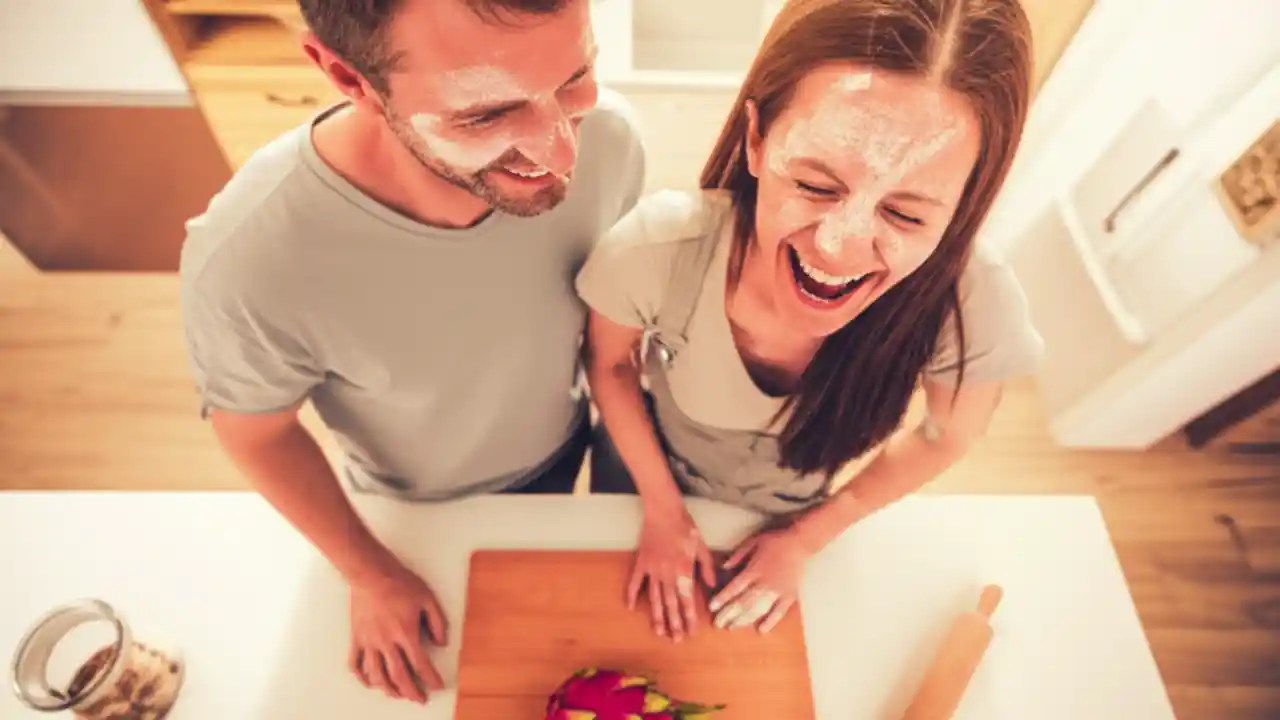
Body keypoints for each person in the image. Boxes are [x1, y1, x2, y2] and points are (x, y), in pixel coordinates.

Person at [179, 0, 643, 705]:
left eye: (576, 77)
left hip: (563, 447)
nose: (562, 155)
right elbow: (256, 433)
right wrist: (369, 573)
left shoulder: (611, 140)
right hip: (411, 511)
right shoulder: (249, 262)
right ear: (348, 77)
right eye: (487, 114)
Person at [577, 0, 1041, 643]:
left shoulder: (971, 304)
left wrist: (806, 537)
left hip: (785, 514)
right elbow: (609, 363)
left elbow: (946, 436)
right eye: (817, 186)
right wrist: (660, 507)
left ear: (964, 207)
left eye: (905, 216)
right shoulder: (656, 251)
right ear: (757, 139)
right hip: (635, 482)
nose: (838, 249)